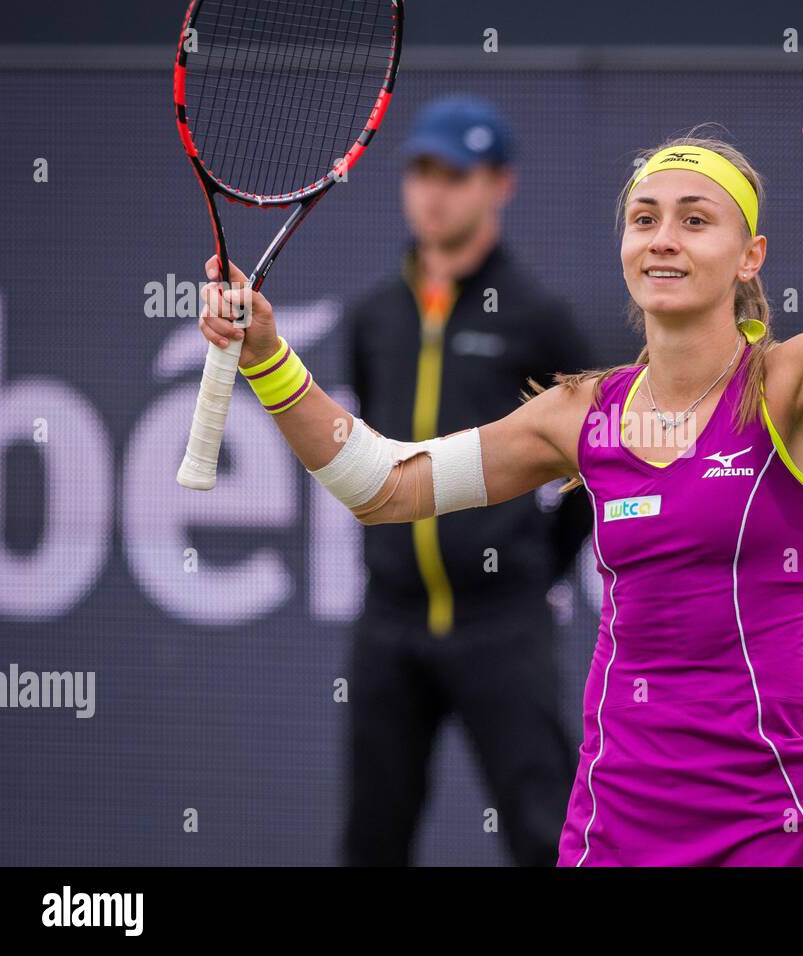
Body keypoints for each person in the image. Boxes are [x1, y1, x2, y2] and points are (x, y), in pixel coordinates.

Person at [198, 49, 803, 865]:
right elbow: (380, 484)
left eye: (694, 219)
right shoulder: (580, 415)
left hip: (767, 809)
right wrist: (265, 354)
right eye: (644, 218)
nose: (663, 239)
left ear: (750, 256)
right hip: (618, 813)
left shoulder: (787, 388)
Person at [342, 94, 595, 865]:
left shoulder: (536, 314)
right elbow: (364, 443)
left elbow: (597, 453)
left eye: (455, 173)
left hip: (501, 623)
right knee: (370, 842)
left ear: (499, 185)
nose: (433, 190)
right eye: (420, 170)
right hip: (388, 622)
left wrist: (534, 564)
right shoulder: (373, 315)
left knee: (546, 837)